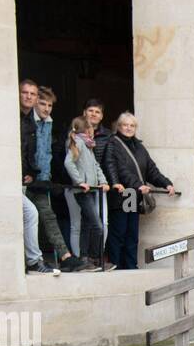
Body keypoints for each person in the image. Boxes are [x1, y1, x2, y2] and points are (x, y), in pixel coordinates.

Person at [103, 112, 175, 268]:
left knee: (132, 234)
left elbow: (151, 170)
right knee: (119, 232)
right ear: (119, 126)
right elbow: (120, 170)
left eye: (132, 125)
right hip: (121, 193)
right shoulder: (113, 143)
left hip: (133, 195)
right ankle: (116, 265)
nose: (128, 128)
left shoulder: (139, 147)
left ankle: (130, 266)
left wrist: (166, 183)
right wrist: (137, 185)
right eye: (125, 125)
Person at [29, 87, 81, 274]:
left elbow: (46, 152)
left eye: (49, 105)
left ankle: (65, 257)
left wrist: (46, 175)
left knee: (47, 216)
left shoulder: (48, 123)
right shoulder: (28, 121)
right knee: (31, 217)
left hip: (42, 179)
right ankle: (34, 260)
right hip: (28, 179)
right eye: (42, 104)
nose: (46, 108)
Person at [64, 117, 115, 272]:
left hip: (92, 190)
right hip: (83, 191)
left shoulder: (88, 145)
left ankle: (85, 258)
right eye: (92, 128)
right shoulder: (79, 143)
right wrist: (79, 181)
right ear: (87, 130)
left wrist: (104, 181)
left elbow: (95, 166)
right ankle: (95, 257)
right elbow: (68, 162)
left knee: (87, 225)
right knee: (97, 225)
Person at [19, 78, 58, 275]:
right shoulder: (16, 117)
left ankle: (35, 261)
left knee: (37, 214)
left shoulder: (30, 122)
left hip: (31, 179)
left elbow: (32, 152)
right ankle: (34, 261)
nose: (28, 96)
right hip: (12, 178)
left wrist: (30, 173)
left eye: (32, 94)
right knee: (32, 213)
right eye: (25, 92)